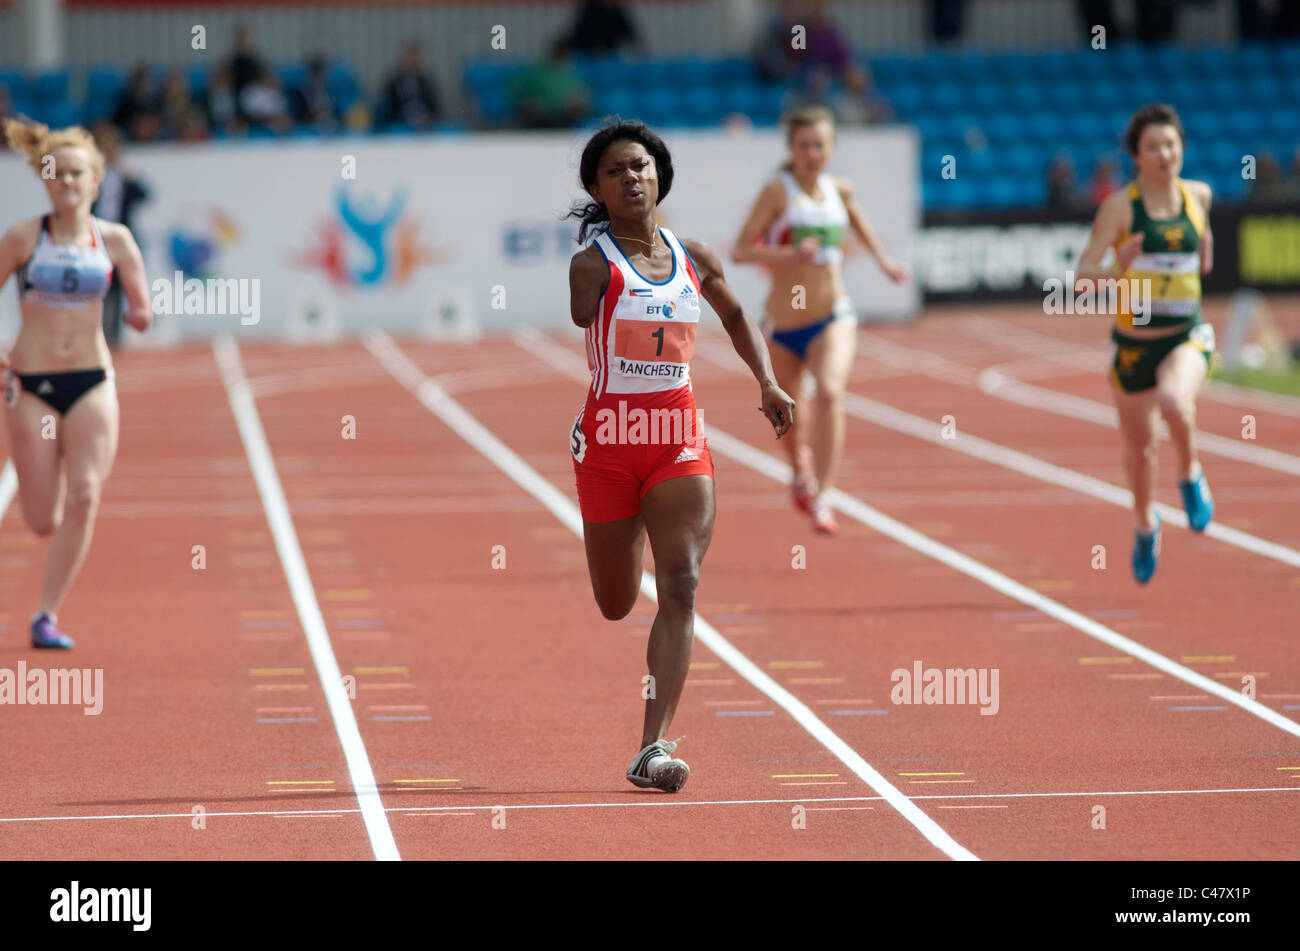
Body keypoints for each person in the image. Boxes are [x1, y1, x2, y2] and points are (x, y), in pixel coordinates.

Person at [566, 120, 795, 792]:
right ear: (597, 188)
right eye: (615, 172)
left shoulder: (694, 255)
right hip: (610, 444)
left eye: (640, 166)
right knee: (614, 601)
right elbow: (583, 313)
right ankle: (632, 522)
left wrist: (768, 380)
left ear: (659, 175)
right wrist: (596, 282)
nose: (631, 177)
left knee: (682, 585)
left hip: (675, 437)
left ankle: (651, 748)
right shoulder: (592, 264)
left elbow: (734, 315)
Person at [0, 118, 152, 648]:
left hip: (91, 380)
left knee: (86, 496)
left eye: (76, 173)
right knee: (43, 518)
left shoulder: (114, 239)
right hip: (32, 384)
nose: (66, 181)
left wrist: (139, 314)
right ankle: (48, 486)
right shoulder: (22, 236)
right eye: (56, 173)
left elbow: (141, 303)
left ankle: (46, 614)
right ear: (44, 179)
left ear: (96, 179)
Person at [731, 105, 908, 533]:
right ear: (792, 149)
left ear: (832, 148)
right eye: (804, 145)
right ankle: (800, 470)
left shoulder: (840, 190)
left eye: (820, 145)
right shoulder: (778, 192)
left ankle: (825, 497)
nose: (812, 153)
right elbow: (740, 251)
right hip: (783, 324)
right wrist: (788, 255)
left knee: (830, 393)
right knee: (788, 416)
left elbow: (858, 221)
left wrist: (885, 262)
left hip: (832, 317)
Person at [1075, 103, 1215, 584]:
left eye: (1171, 145)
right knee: (1140, 451)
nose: (1164, 154)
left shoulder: (1199, 195)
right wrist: (1120, 267)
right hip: (1134, 344)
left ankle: (1191, 474)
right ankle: (1145, 523)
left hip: (1185, 334)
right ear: (1136, 155)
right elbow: (1081, 277)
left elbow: (1204, 249)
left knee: (1176, 403)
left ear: (1182, 148)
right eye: (1153, 146)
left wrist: (1200, 256)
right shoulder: (1120, 208)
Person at [89, 121, 149, 348]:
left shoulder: (124, 175)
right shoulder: (92, 175)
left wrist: (129, 175)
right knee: (96, 286)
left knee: (117, 287)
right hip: (94, 234)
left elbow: (145, 195)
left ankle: (113, 336)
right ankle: (95, 334)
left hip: (119, 236)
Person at [377, 41, 440, 130]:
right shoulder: (394, 82)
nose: (414, 60)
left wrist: (427, 118)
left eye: (417, 56)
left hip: (425, 127)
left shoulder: (426, 81)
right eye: (411, 56)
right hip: (401, 126)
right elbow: (388, 108)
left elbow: (434, 107)